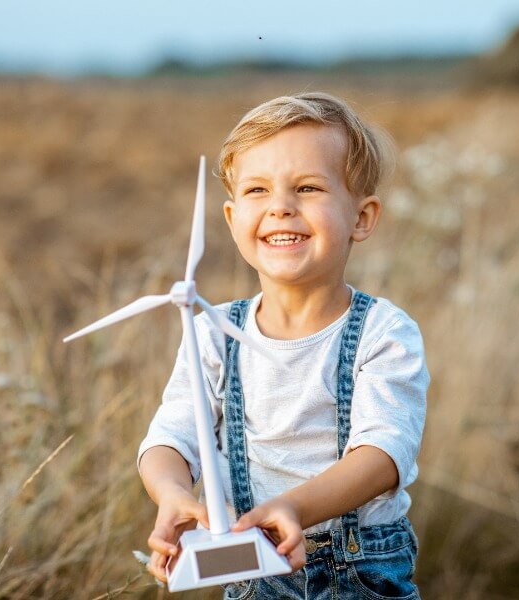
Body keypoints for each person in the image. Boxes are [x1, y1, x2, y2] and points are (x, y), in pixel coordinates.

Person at [137, 92, 429, 599]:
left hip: (359, 570)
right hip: (251, 571)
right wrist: (173, 494)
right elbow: (171, 437)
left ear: (362, 218)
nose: (280, 207)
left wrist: (296, 507)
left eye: (308, 187)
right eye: (257, 190)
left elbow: (384, 453)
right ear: (231, 220)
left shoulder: (383, 332)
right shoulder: (210, 330)